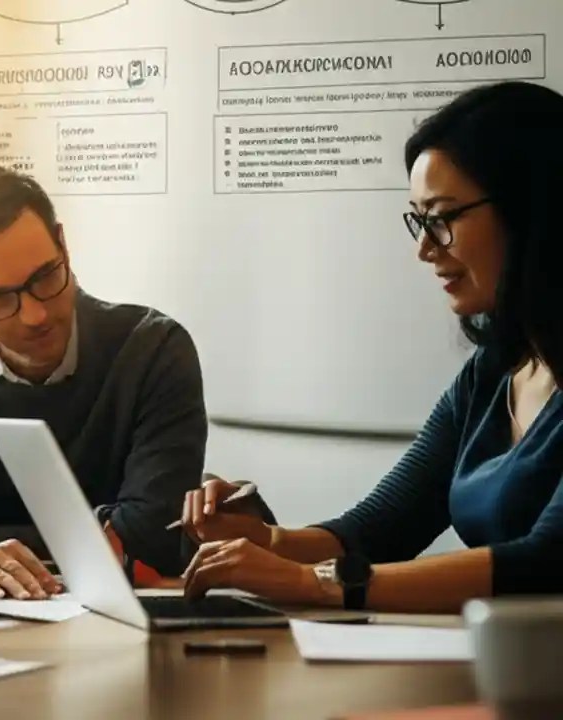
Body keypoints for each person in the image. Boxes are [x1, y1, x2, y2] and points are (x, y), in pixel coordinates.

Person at [179, 81, 563, 613]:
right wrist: (266, 540)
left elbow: (545, 564)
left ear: (531, 210)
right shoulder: (491, 374)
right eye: (419, 221)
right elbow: (375, 531)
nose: (425, 249)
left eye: (443, 218)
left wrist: (317, 583)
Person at [0, 165, 228, 600]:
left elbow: (153, 528)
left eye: (45, 278)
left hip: (128, 610)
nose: (36, 314)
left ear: (64, 245)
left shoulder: (153, 350)